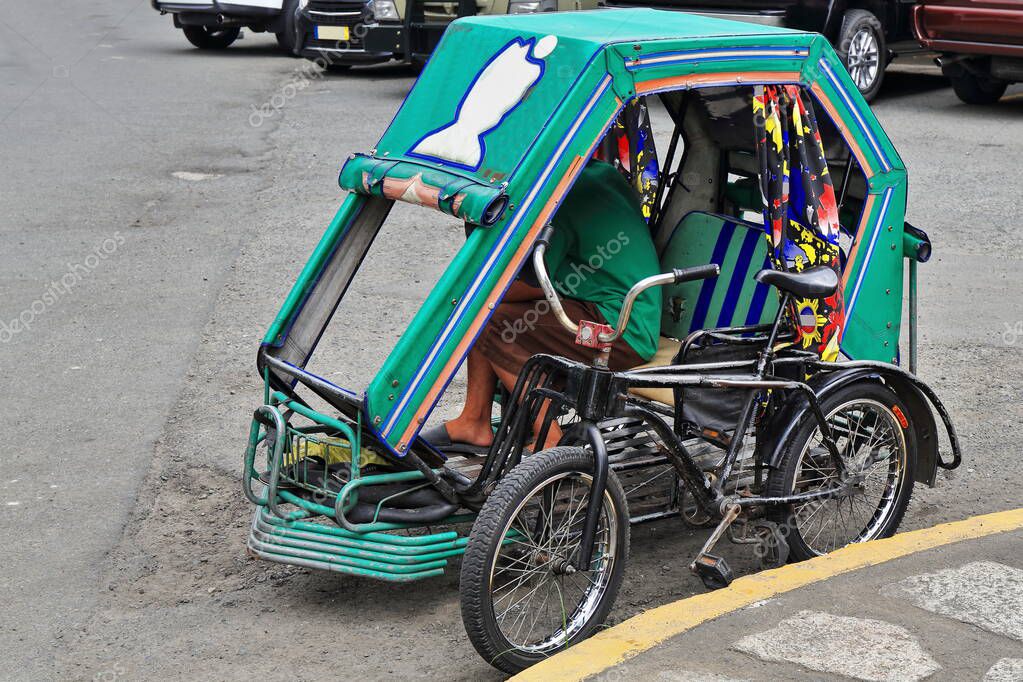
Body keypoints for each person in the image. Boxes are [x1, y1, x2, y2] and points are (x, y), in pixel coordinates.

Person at [422, 159, 663, 454]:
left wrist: (468, 292)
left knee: (487, 319)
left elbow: (533, 283)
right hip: (614, 309)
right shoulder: (597, 173)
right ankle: (474, 419)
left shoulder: (563, 197)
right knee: (485, 312)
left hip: (620, 330)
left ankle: (548, 436)